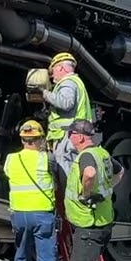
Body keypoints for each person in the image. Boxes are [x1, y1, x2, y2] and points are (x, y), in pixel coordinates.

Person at [62, 119, 128, 261]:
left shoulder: (87, 157)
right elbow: (121, 171)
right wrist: (108, 189)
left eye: (70, 134)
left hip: (90, 227)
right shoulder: (103, 154)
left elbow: (89, 174)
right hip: (101, 223)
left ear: (79, 137)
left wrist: (86, 193)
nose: (69, 138)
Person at [3, 119, 59, 261]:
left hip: (19, 215)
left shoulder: (11, 159)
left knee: (21, 255)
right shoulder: (46, 159)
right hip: (42, 215)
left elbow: (9, 175)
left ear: (23, 139)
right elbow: (59, 178)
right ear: (40, 139)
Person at [39, 52, 95, 180]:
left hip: (66, 136)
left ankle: (68, 199)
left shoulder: (68, 82)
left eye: (52, 71)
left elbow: (66, 103)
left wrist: (45, 94)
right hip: (73, 135)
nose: (52, 77)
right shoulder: (77, 82)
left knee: (66, 172)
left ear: (60, 68)